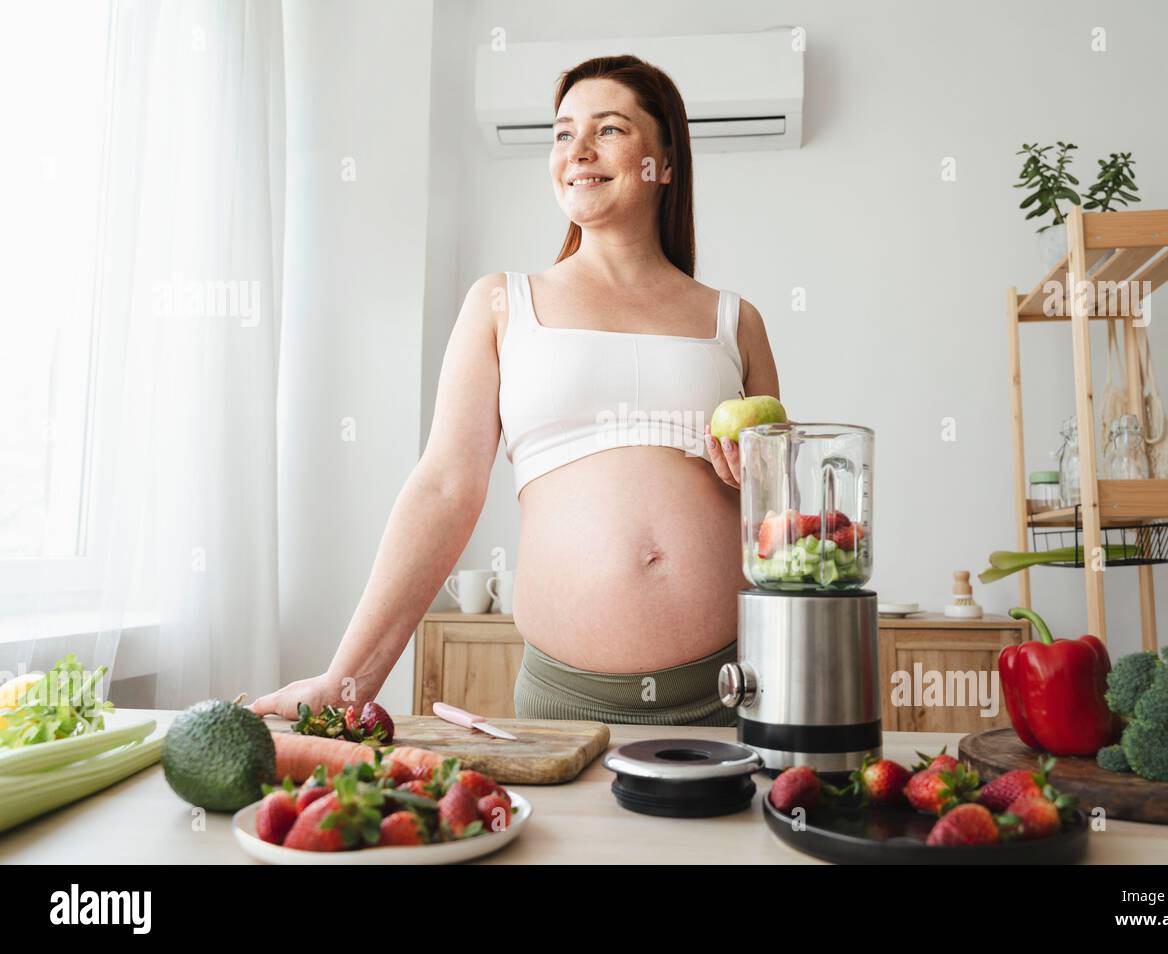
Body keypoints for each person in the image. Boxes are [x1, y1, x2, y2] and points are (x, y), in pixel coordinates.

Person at [251, 54, 779, 725]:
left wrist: (755, 489)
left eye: (609, 129)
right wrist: (348, 679)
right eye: (562, 134)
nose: (578, 150)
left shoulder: (738, 322)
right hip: (565, 706)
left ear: (665, 164)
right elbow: (445, 486)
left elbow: (782, 534)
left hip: (728, 693)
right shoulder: (504, 303)